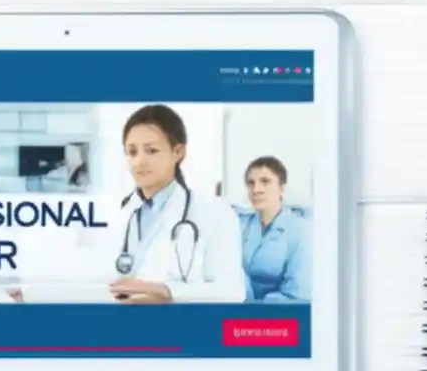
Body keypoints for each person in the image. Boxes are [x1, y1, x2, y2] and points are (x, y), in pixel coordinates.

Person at [106, 105, 245, 303]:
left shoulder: (216, 212)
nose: (139, 161)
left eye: (151, 150)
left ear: (178, 152)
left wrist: (168, 292)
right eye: (132, 152)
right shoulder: (120, 213)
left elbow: (231, 292)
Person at [237, 156, 311, 302]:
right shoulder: (241, 225)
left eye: (265, 182)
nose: (256, 189)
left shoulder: (299, 230)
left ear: (282, 188)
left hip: (281, 312)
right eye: (251, 183)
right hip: (238, 309)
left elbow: (298, 293)